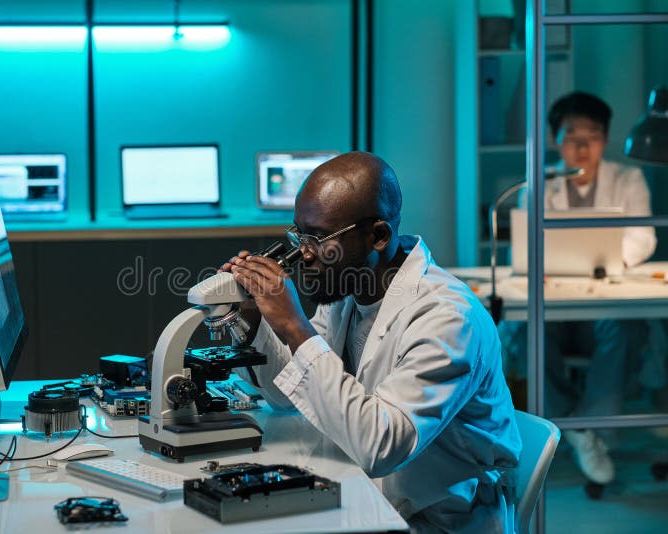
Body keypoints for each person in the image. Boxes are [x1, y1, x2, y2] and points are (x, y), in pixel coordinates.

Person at [222, 151, 521, 532]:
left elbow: (381, 446)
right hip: (365, 498)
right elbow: (291, 397)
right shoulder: (349, 290)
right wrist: (253, 323)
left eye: (318, 238)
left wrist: (296, 328)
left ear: (378, 236)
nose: (303, 254)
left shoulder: (448, 318)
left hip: (438, 520)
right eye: (298, 235)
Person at [506, 92, 657, 486]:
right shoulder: (538, 183)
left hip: (603, 303)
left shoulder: (629, 179)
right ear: (556, 140)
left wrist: (603, 261)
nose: (582, 146)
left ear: (606, 139)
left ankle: (589, 428)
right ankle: (580, 428)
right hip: (554, 307)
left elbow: (642, 237)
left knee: (625, 327)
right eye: (572, 136)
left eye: (593, 135)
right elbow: (528, 246)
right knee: (522, 330)